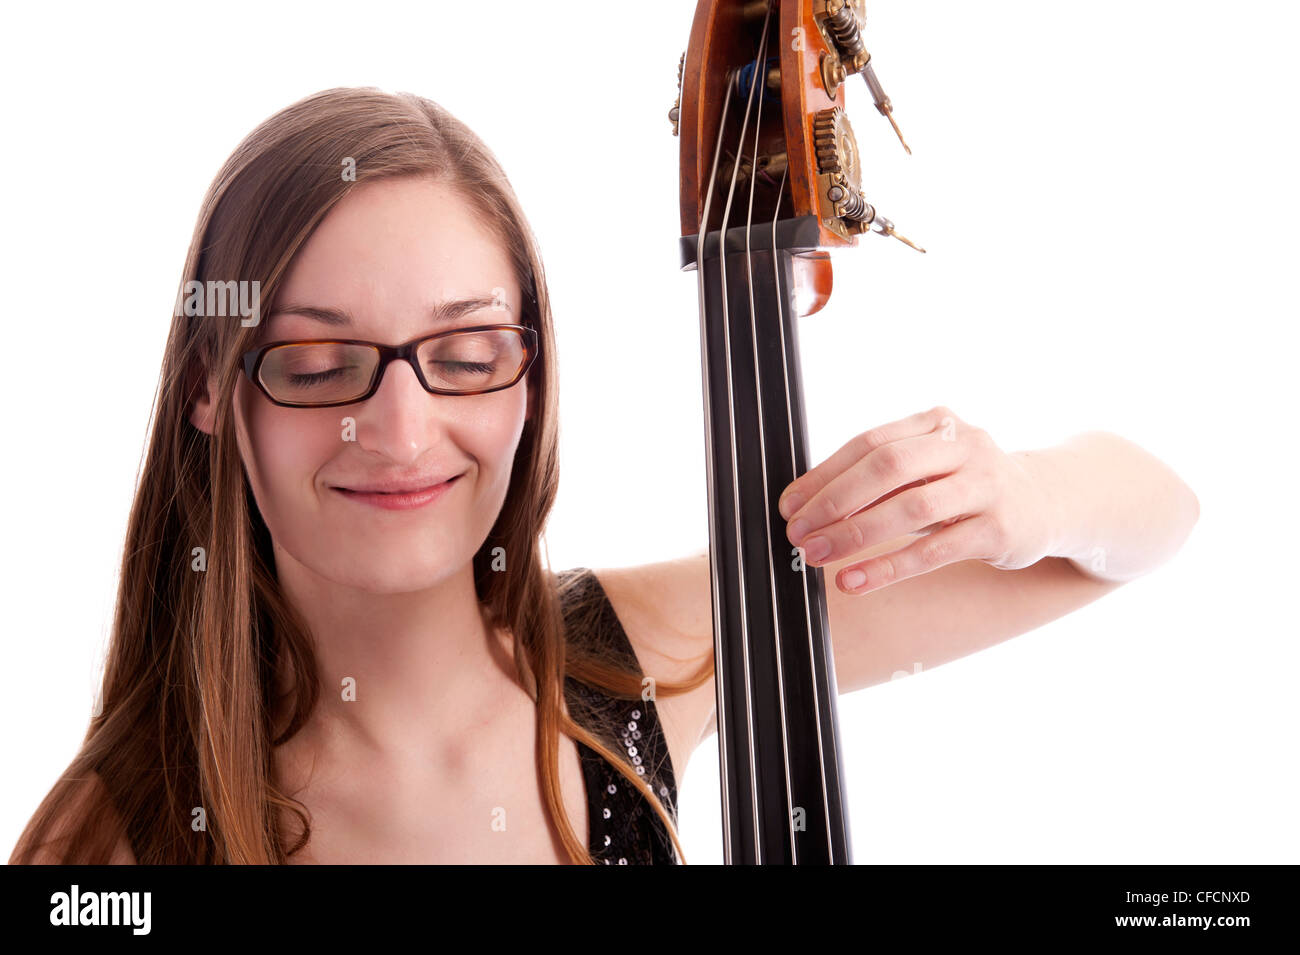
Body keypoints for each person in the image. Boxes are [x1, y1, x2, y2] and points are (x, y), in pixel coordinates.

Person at [9, 86, 1199, 865]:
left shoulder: (642, 654)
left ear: (530, 378)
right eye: (320, 365)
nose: (402, 424)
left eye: (468, 355)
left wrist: (1022, 492)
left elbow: (1153, 517)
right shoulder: (121, 834)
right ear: (213, 389)